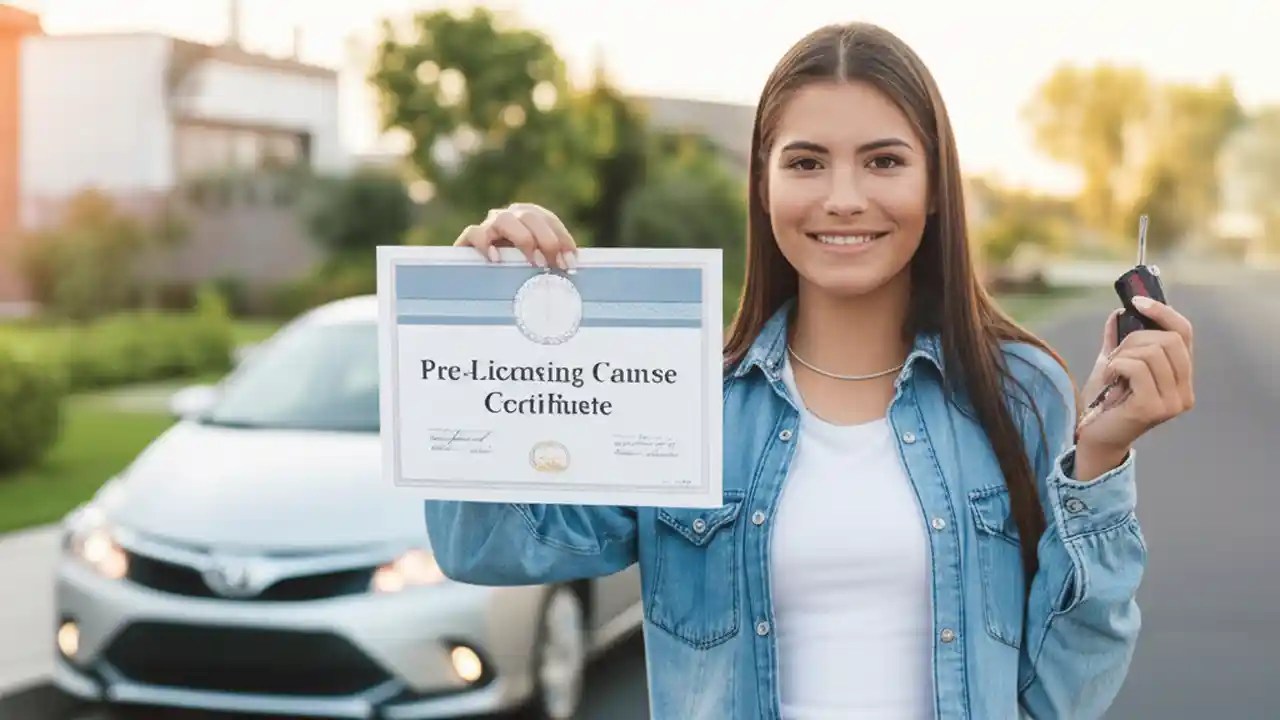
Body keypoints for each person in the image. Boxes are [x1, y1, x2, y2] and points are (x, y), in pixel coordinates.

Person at [424, 21, 1195, 720]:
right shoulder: (685, 403)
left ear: (933, 191)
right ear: (764, 188)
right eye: (806, 163)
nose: (844, 198)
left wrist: (1101, 458)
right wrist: (482, 325)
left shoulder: (1023, 390)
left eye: (884, 161)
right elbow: (487, 546)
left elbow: (1066, 694)